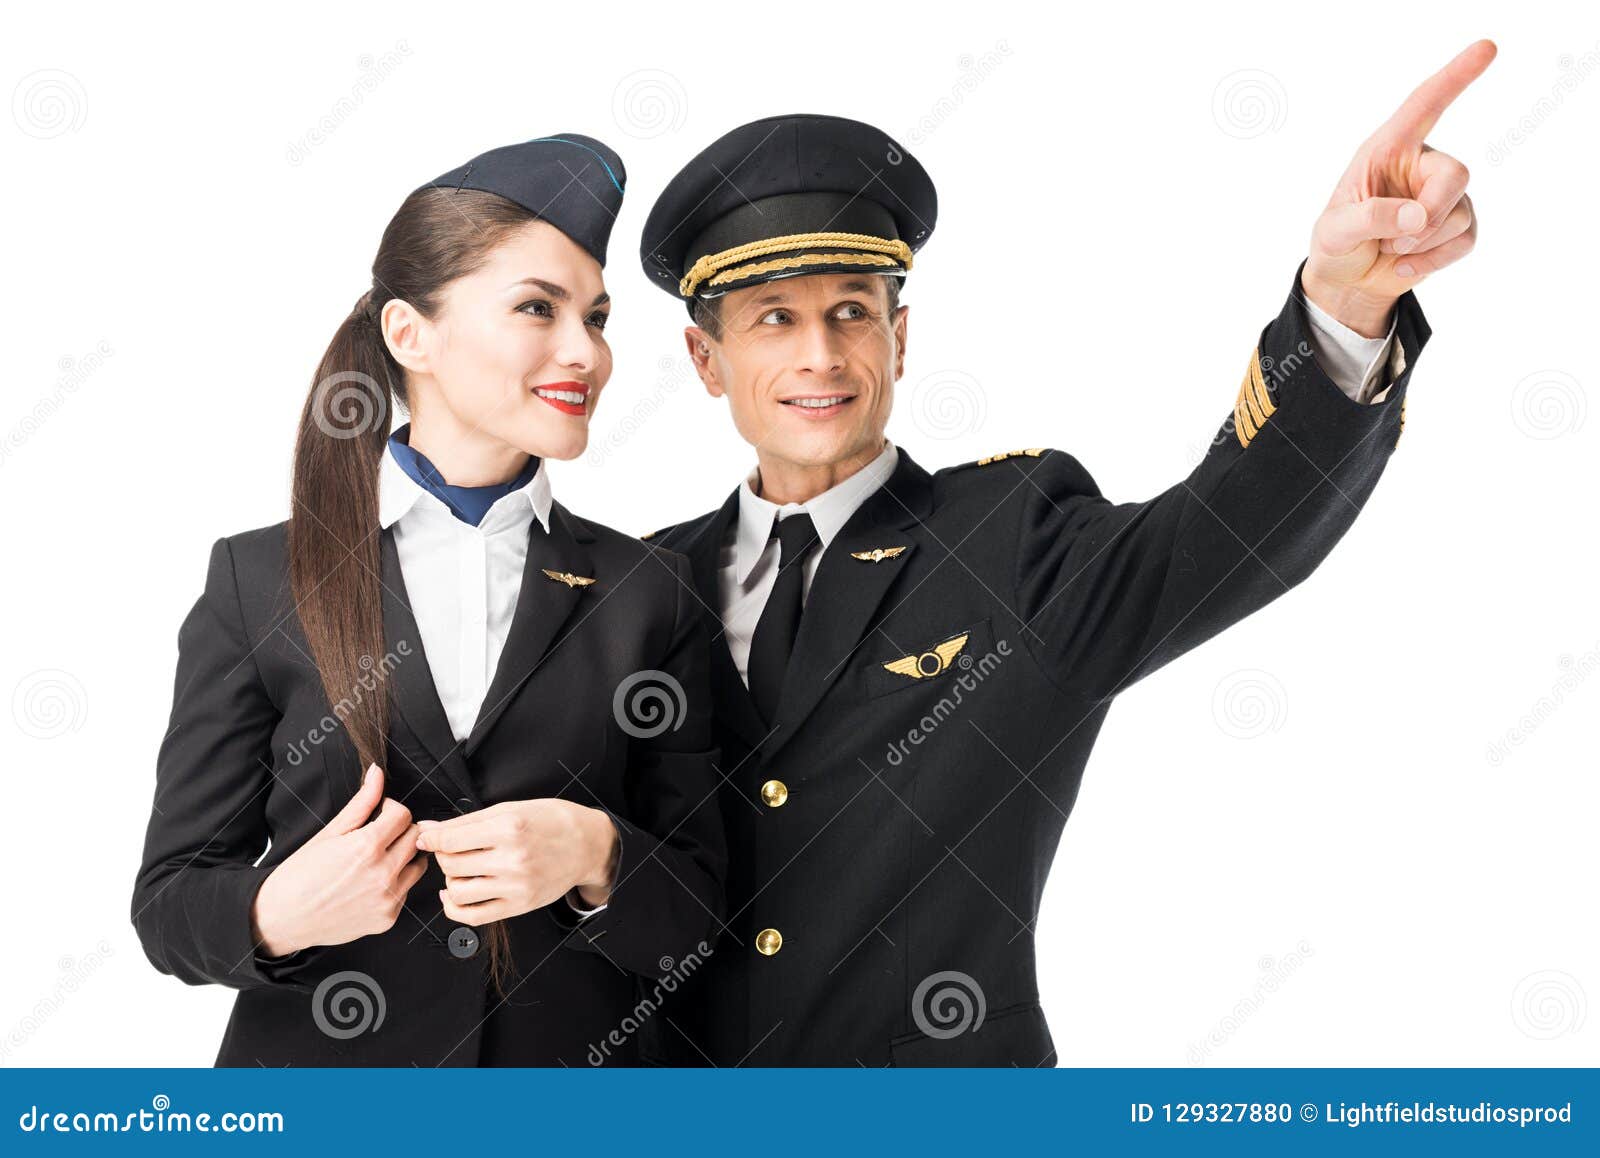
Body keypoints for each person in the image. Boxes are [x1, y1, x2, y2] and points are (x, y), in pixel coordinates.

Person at [632, 42, 1492, 1065]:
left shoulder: (1012, 541)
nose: (821, 355)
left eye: (851, 312)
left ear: (899, 341)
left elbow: (1231, 530)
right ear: (705, 359)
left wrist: (1343, 309)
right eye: (775, 319)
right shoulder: (629, 590)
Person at [130, 134, 725, 1066]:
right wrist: (273, 912)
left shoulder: (651, 592)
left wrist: (597, 853)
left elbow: (703, 918)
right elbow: (169, 905)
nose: (589, 353)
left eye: (598, 317)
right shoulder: (258, 583)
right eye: (539, 307)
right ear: (411, 334)